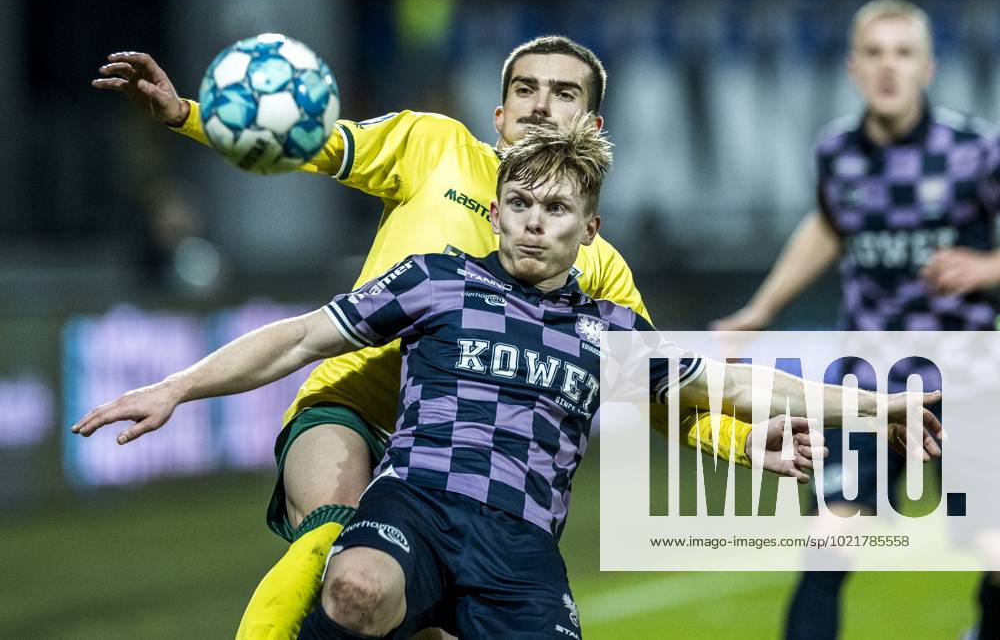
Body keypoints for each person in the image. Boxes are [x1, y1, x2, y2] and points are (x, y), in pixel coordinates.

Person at [73, 117, 939, 638]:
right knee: (352, 583)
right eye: (519, 203)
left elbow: (737, 388)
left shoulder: (609, 330)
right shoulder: (436, 279)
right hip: (415, 500)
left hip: (520, 548)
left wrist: (875, 406)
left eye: (555, 208)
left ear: (588, 229)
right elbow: (299, 338)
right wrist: (178, 385)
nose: (533, 221)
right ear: (497, 208)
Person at [712, 0, 1000, 640]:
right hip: (868, 384)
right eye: (875, 53)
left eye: (903, 53)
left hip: (970, 381)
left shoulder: (976, 151)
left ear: (928, 68)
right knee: (827, 540)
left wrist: (985, 268)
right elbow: (829, 224)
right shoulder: (838, 151)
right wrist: (762, 308)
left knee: (995, 549)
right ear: (853, 67)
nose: (888, 67)